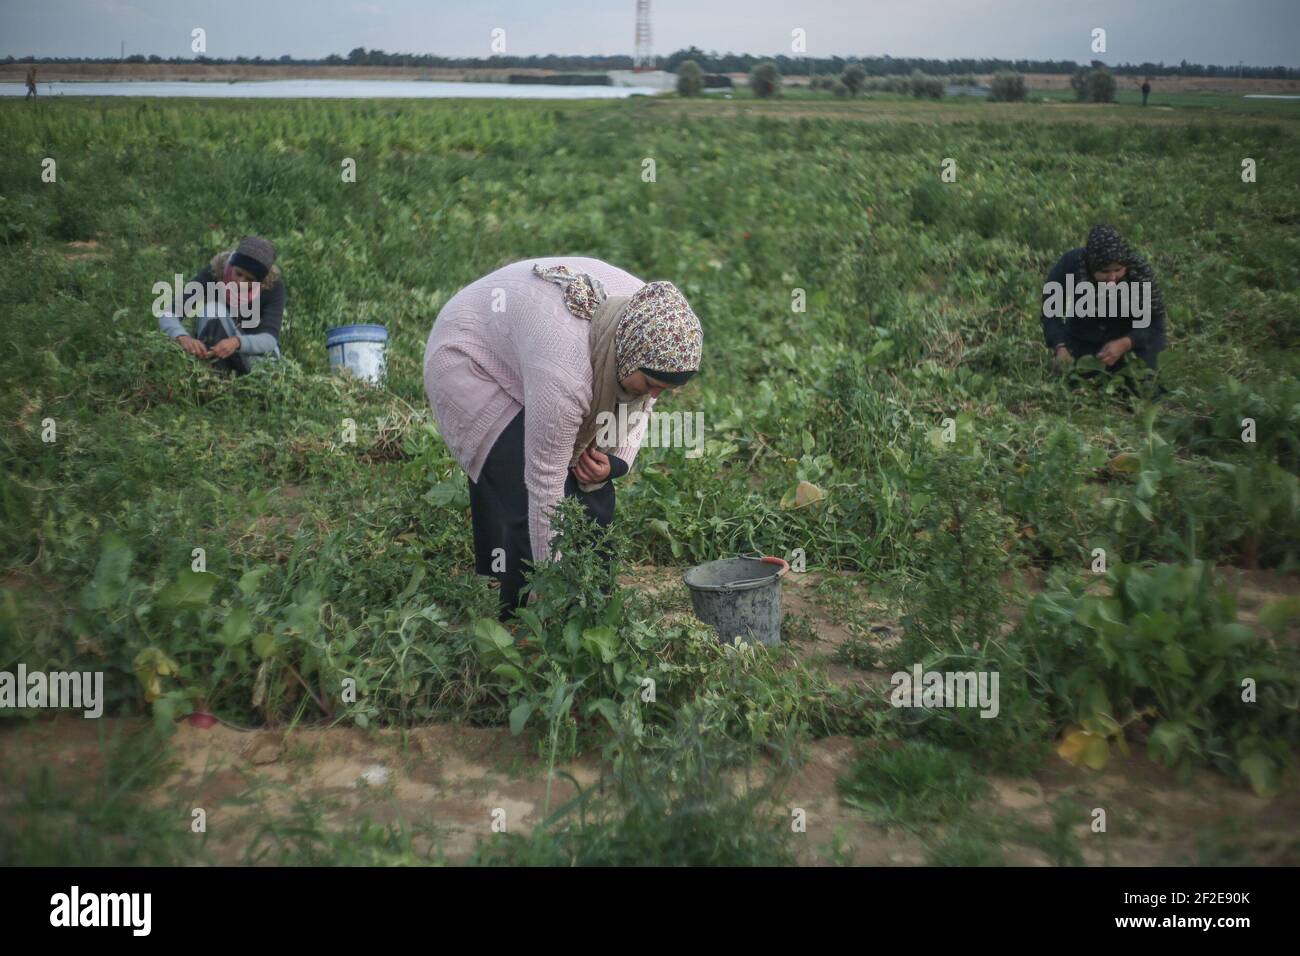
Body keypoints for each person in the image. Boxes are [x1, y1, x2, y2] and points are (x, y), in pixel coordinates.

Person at [424, 257, 704, 619]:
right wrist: (550, 592)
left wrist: (616, 462)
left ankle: (594, 607)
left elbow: (640, 401)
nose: (653, 397)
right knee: (522, 490)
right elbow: (543, 481)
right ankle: (526, 621)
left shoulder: (653, 319)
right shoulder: (566, 373)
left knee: (592, 484)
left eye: (665, 389)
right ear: (629, 355)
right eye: (651, 385)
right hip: (469, 355)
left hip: (529, 343)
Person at [1041, 224, 1167, 373]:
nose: (1112, 278)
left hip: (1132, 337)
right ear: (1091, 267)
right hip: (1084, 335)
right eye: (1104, 271)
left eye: (1118, 270)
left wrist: (1126, 342)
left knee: (1146, 384)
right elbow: (1050, 311)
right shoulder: (1071, 265)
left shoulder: (1138, 271)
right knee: (1073, 377)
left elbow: (1155, 323)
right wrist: (1060, 347)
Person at [157, 236, 285, 375]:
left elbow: (270, 339)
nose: (240, 282)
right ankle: (212, 373)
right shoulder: (215, 272)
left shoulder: (273, 287)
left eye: (249, 279)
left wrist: (237, 342)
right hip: (216, 351)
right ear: (232, 266)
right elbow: (169, 313)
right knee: (212, 309)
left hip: (257, 361)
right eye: (238, 273)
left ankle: (228, 379)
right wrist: (181, 337)